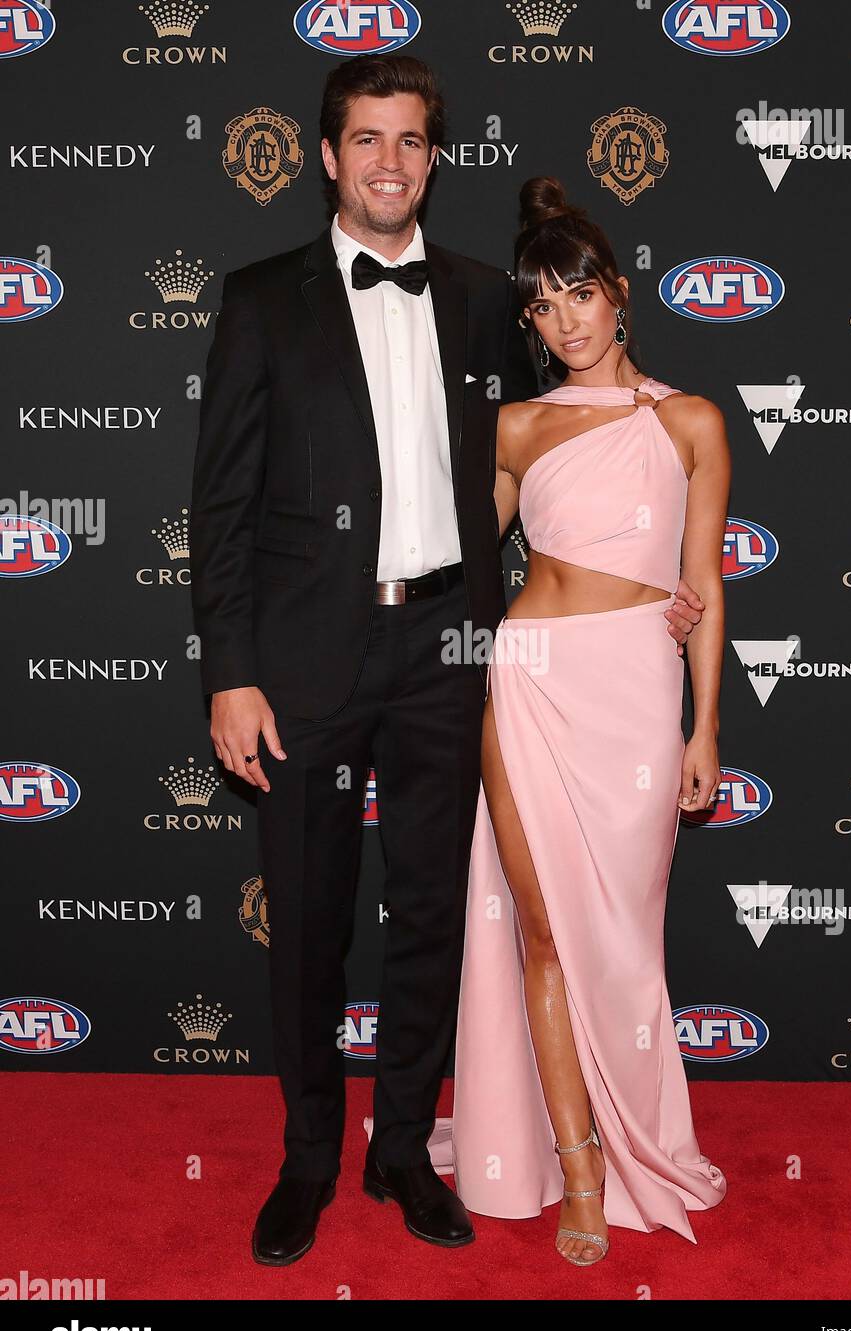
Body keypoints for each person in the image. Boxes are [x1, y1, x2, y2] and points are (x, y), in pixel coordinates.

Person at [189, 55, 705, 1267]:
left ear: (435, 157)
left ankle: (405, 1147)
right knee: (310, 921)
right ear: (327, 157)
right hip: (306, 658)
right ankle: (311, 1158)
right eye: (365, 140)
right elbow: (217, 507)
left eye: (410, 142)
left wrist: (650, 582)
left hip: (455, 651)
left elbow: (577, 446)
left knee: (432, 913)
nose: (387, 163)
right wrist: (229, 668)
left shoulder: (484, 299)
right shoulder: (262, 298)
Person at [442, 176, 730, 1265]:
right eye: (543, 306)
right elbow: (467, 565)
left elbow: (704, 578)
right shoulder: (516, 425)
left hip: (639, 695)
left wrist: (706, 729)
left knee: (624, 938)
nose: (565, 320)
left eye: (581, 295)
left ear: (618, 294)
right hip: (530, 681)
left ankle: (634, 1126)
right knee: (546, 931)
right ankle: (578, 1168)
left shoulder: (690, 418)